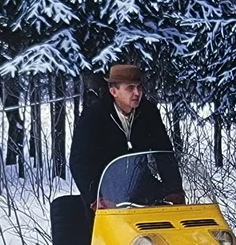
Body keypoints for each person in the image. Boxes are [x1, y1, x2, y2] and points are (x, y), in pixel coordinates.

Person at [69, 64, 183, 217]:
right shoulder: (94, 116)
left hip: (142, 187)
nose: (137, 93)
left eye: (139, 87)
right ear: (113, 91)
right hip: (105, 192)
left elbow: (164, 153)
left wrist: (174, 189)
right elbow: (79, 161)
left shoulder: (148, 112)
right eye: (130, 88)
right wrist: (95, 198)